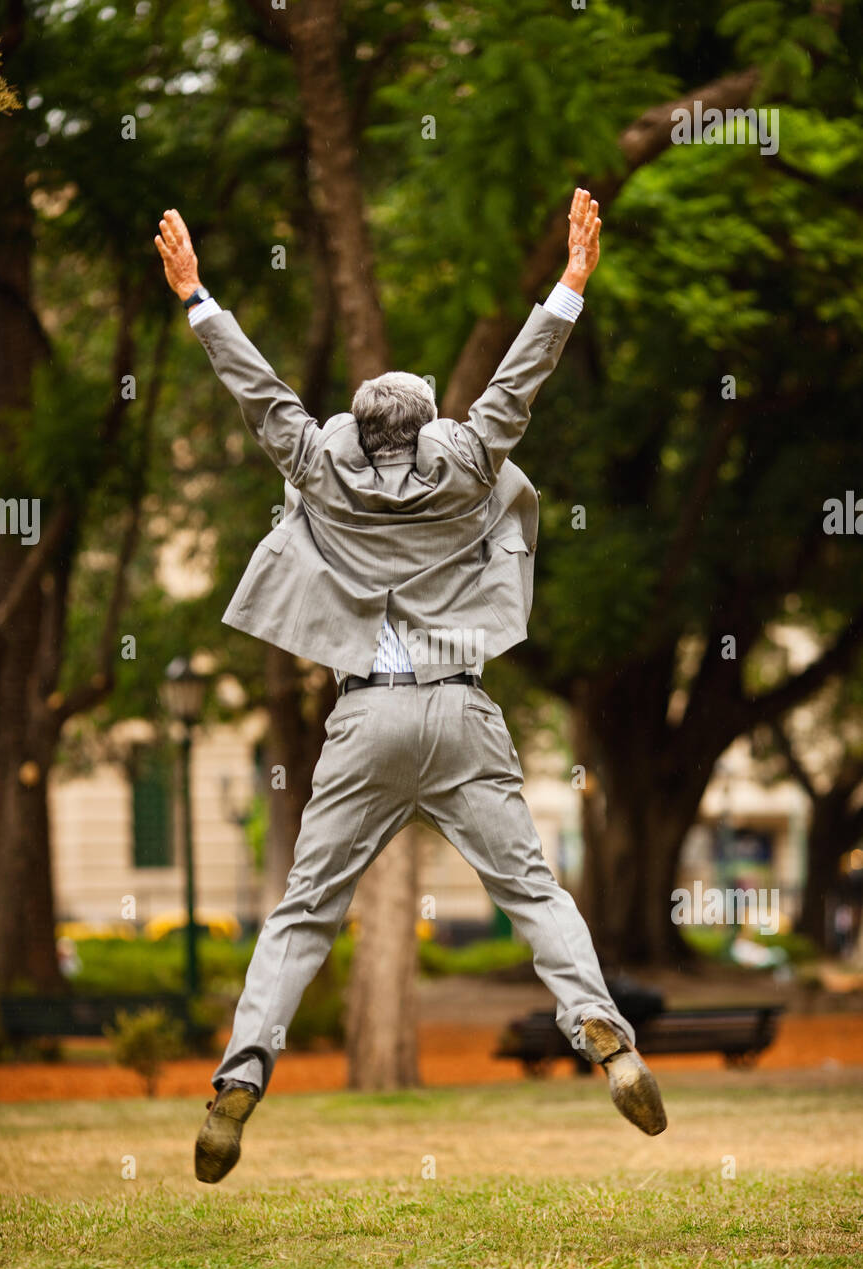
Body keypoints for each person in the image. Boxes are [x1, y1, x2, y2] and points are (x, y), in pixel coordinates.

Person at [154, 189, 667, 1183]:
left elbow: (259, 394)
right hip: (462, 707)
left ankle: (241, 1075)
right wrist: (568, 283)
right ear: (427, 425)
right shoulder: (469, 463)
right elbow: (520, 381)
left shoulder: (318, 468)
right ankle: (602, 1028)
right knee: (529, 888)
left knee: (305, 911)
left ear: (357, 430)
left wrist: (198, 298)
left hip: (366, 713)